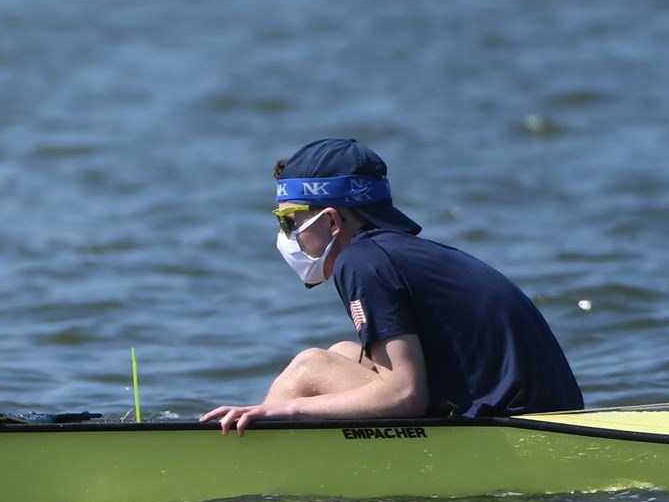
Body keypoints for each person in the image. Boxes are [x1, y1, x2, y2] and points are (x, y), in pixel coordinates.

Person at [201, 138, 581, 433]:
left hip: (518, 426)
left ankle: (245, 465)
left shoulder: (361, 261)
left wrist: (282, 409)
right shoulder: (394, 253)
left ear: (332, 221)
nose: (288, 236)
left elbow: (405, 395)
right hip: (542, 411)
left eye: (290, 221)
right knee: (345, 353)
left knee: (311, 367)